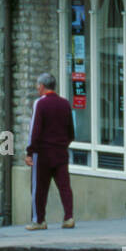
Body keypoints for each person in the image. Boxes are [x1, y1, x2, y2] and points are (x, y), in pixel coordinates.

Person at [25, 72, 75, 230]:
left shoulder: (40, 103)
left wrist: (30, 151)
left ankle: (39, 220)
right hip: (61, 151)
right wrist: (63, 144)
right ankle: (68, 217)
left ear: (41, 86)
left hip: (43, 153)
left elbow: (35, 129)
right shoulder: (65, 103)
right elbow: (71, 131)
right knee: (65, 186)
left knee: (39, 188)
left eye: (37, 85)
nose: (37, 88)